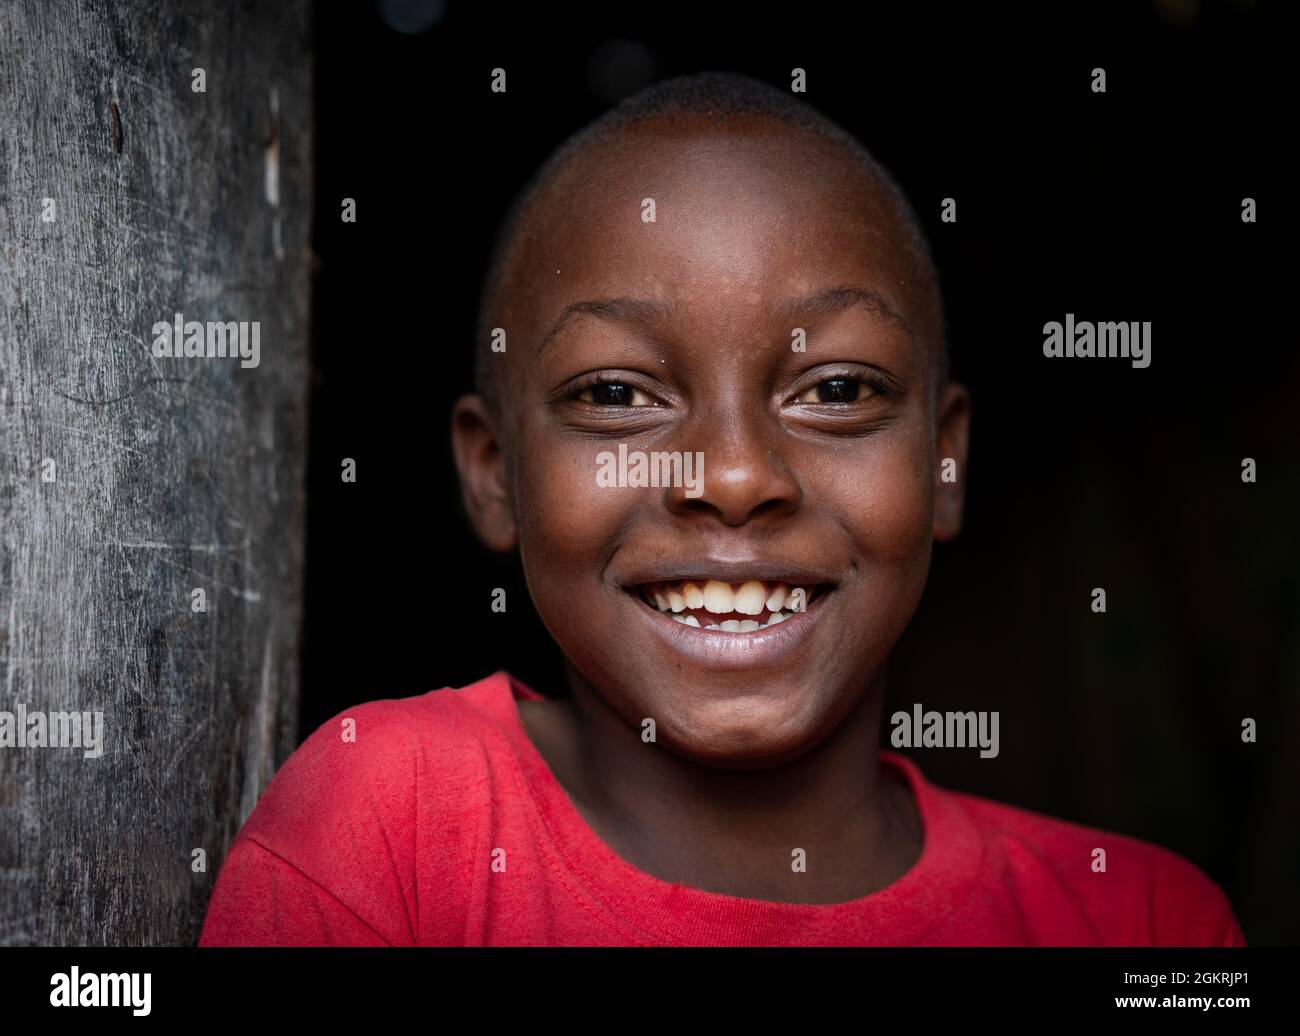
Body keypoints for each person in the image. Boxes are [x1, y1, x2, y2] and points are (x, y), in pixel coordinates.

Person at [199, 71, 1245, 946]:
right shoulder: (393, 828)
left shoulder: (1140, 921)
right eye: (615, 394)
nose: (737, 477)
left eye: (836, 391)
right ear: (493, 472)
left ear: (942, 462)